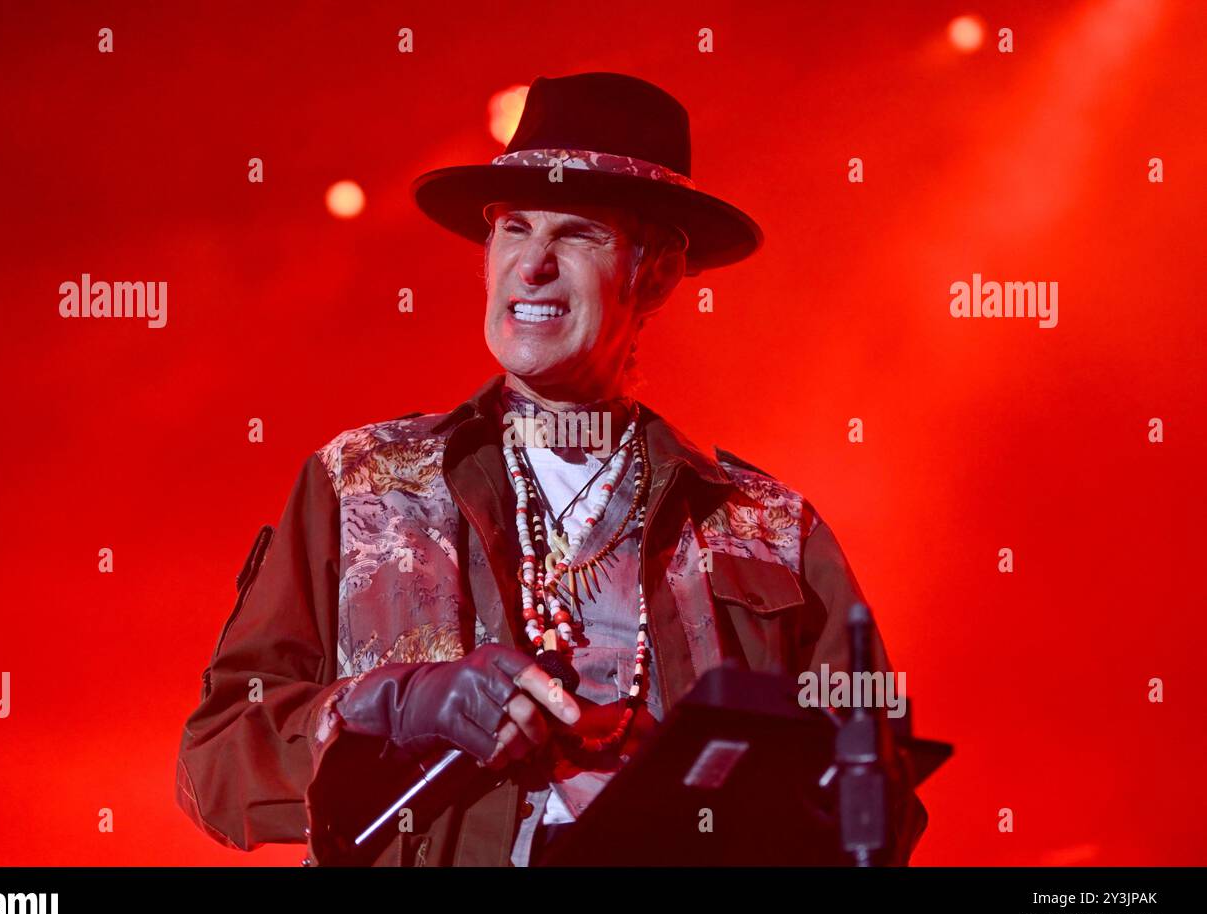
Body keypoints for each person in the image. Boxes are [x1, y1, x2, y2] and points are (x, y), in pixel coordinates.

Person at [175, 71, 927, 866]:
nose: (531, 265)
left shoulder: (768, 530)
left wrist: (698, 794)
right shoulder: (362, 484)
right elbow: (215, 767)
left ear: (658, 273)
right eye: (513, 228)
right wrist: (393, 706)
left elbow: (878, 801)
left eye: (576, 233)